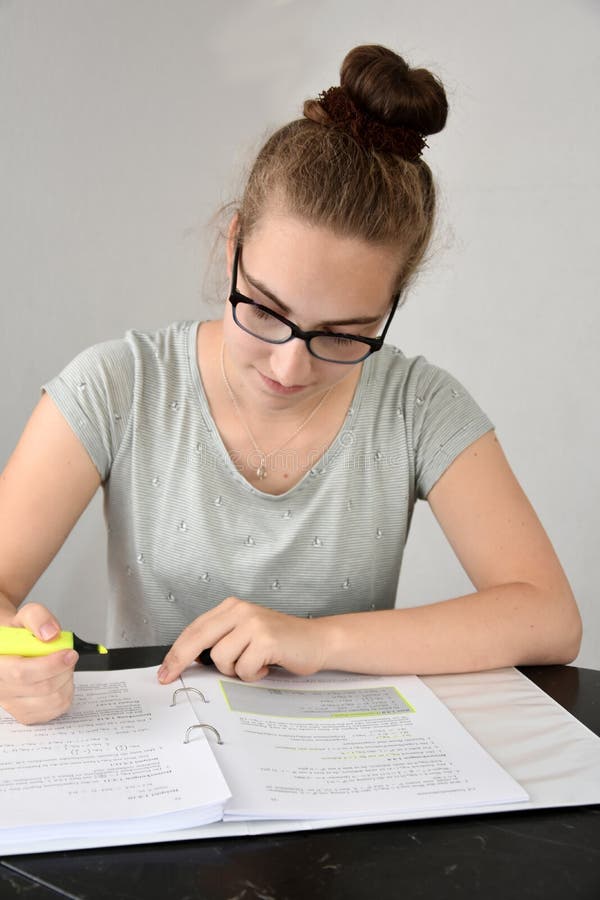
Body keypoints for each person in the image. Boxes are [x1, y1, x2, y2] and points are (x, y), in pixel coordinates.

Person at [0, 44, 581, 725]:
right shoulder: (120, 385)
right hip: (161, 773)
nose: (289, 367)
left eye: (343, 335)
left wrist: (319, 638)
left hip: (345, 778)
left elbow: (548, 616)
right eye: (266, 310)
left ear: (391, 305)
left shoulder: (416, 407)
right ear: (234, 242)